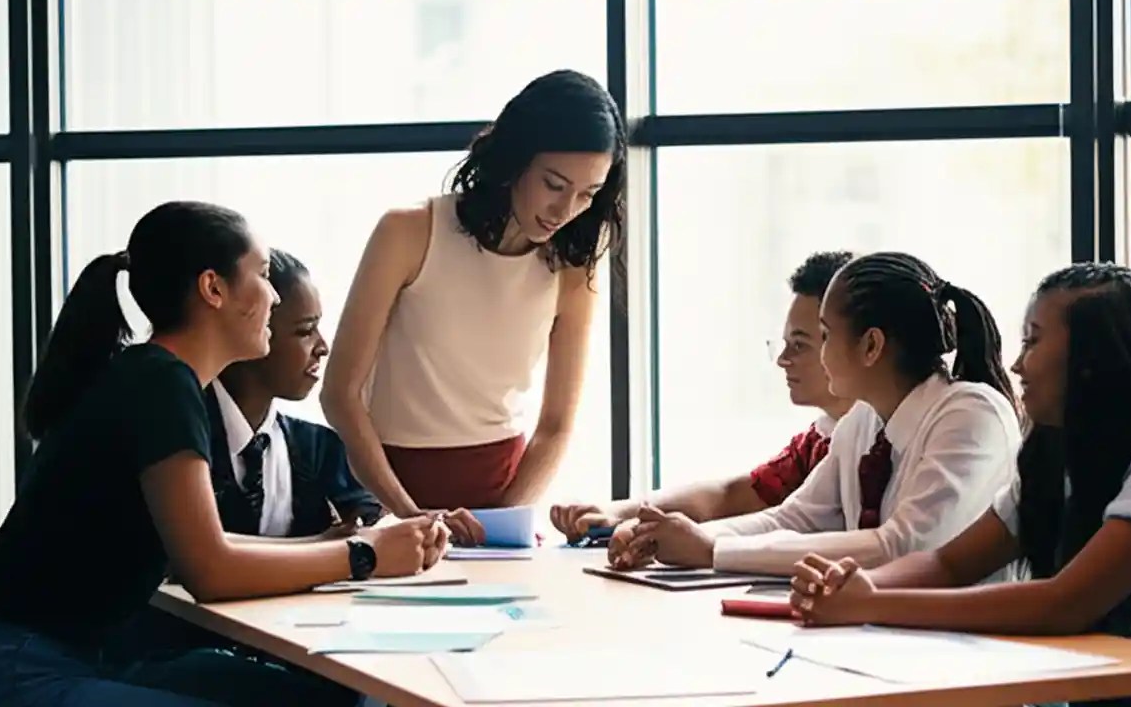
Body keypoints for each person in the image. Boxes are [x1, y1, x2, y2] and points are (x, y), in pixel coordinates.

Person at [0, 201, 448, 707]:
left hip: (91, 655)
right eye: (264, 275)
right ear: (213, 289)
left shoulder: (157, 376)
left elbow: (202, 549)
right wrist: (364, 556)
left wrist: (331, 542)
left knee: (334, 699)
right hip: (25, 662)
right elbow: (209, 571)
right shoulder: (160, 383)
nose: (275, 298)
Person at [789, 264, 1131, 706]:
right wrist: (855, 586)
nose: (1018, 365)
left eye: (1033, 342)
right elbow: (948, 562)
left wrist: (873, 604)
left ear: (1094, 359)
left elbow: (1065, 603)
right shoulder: (1053, 457)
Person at [322, 69, 626, 517]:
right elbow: (339, 395)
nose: (565, 211)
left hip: (502, 492)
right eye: (554, 185)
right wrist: (412, 516)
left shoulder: (571, 269)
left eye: (587, 195)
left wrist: (499, 521)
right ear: (516, 158)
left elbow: (557, 426)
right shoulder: (408, 232)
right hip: (385, 492)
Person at [614, 252, 1021, 576]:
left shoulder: (970, 414)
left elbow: (901, 547)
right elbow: (797, 517)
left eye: (824, 336)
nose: (815, 355)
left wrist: (713, 550)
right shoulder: (864, 421)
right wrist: (669, 537)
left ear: (871, 346)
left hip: (969, 648)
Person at [549, 250, 856, 546]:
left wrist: (700, 545)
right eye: (784, 344)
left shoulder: (885, 441)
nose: (782, 360)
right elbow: (731, 496)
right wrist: (617, 513)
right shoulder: (819, 441)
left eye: (800, 346)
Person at [207, 248, 383, 540]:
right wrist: (323, 545)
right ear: (254, 329)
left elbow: (366, 521)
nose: (323, 347)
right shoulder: (184, 439)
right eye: (305, 331)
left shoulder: (317, 447)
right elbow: (195, 556)